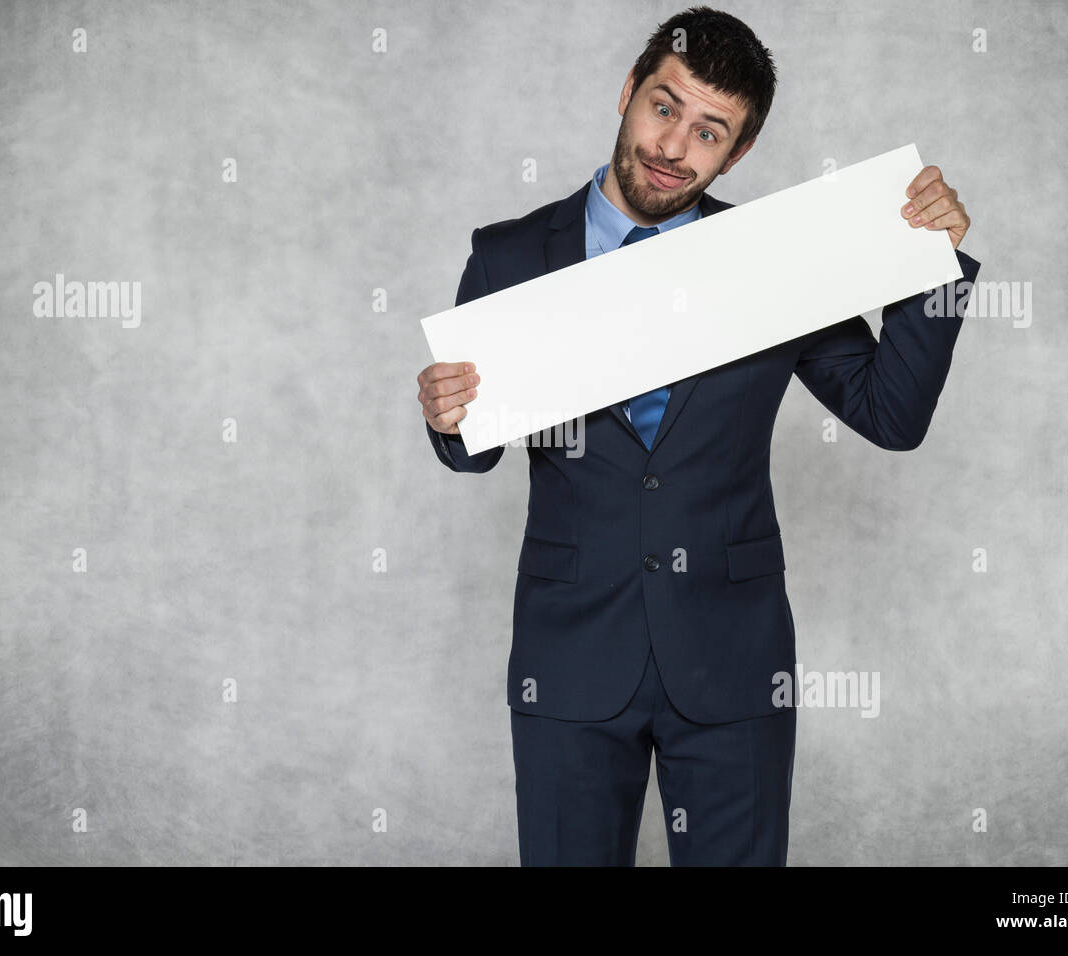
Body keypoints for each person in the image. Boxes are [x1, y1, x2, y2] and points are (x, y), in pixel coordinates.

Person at [416, 5, 979, 866]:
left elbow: (889, 416)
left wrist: (926, 268)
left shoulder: (773, 261)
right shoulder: (510, 255)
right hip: (570, 656)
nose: (674, 145)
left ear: (738, 152)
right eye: (664, 107)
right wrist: (445, 414)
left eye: (709, 132)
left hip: (733, 656)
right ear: (627, 93)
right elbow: (477, 444)